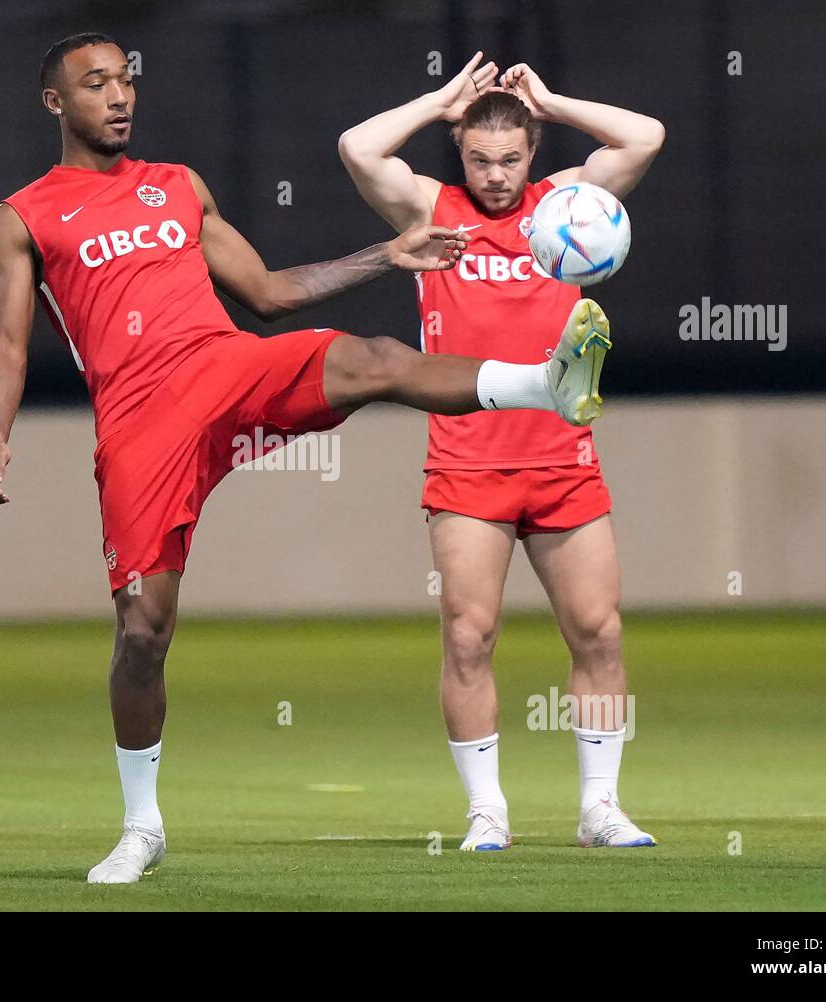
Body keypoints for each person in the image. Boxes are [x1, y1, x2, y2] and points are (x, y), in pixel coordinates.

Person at [0, 34, 612, 882]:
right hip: (139, 422)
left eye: (126, 81)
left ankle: (545, 379)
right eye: (95, 85)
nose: (118, 97)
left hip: (226, 365)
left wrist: (384, 255)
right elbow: (8, 342)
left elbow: (270, 294)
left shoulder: (177, 187)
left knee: (372, 358)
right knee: (143, 631)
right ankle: (142, 826)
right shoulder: (24, 215)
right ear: (56, 102)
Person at [338, 53, 664, 849]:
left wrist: (551, 100)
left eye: (510, 159)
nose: (494, 175)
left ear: (532, 153)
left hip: (562, 458)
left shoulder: (567, 206)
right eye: (480, 159)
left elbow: (646, 136)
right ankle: (487, 809)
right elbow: (358, 148)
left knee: (600, 631)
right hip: (467, 461)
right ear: (461, 154)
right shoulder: (431, 210)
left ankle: (600, 809)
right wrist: (438, 101)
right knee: (467, 635)